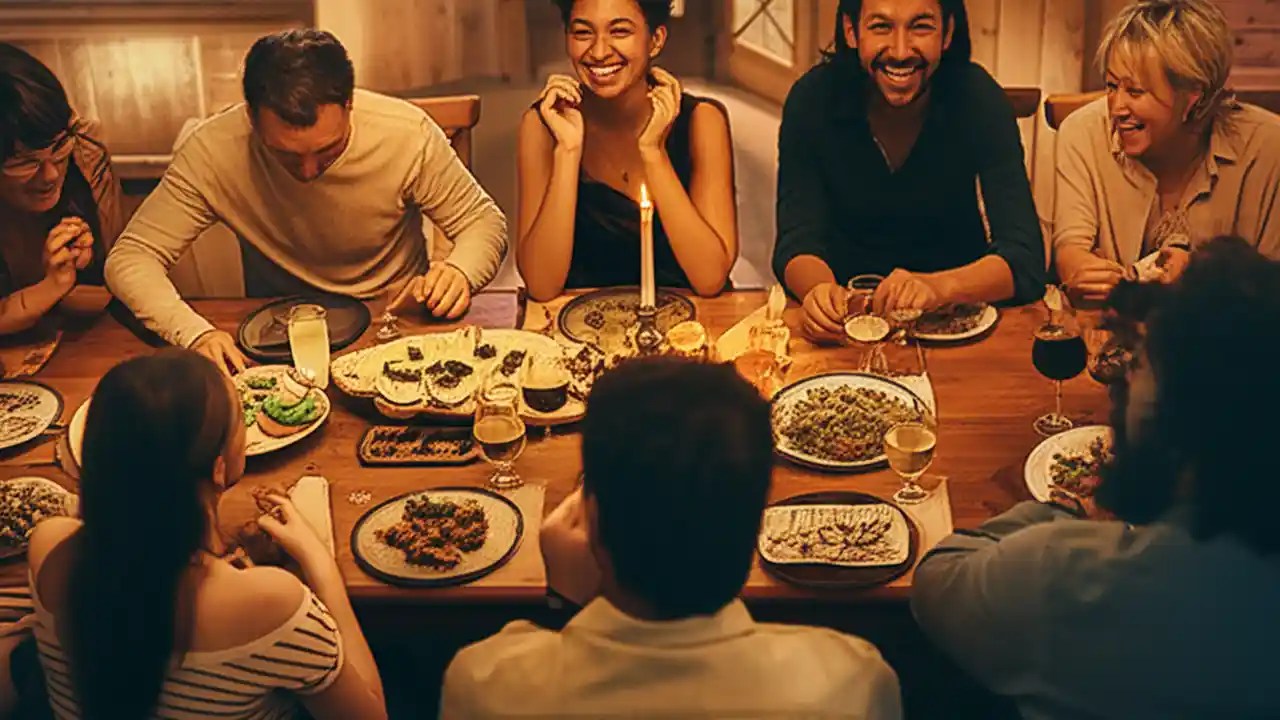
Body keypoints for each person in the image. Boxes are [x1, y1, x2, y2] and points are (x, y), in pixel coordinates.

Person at [911, 237, 1280, 719]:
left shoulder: (1062, 572)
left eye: (1141, 362)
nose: (1124, 378)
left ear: (1170, 409)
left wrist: (1066, 507)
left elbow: (937, 580)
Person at [442, 358, 902, 718]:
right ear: (758, 523)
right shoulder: (847, 684)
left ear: (592, 520)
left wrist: (565, 602)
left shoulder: (486, 686)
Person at [105, 29, 508, 374]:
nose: (309, 171)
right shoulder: (212, 151)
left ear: (349, 105)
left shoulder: (407, 134)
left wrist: (459, 271)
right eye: (285, 154)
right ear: (251, 117)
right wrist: (195, 333)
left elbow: (483, 221)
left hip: (394, 319)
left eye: (328, 150)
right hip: (276, 332)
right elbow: (131, 257)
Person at [26, 349, 387, 719]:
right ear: (218, 468)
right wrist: (318, 558)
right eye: (239, 420)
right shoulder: (273, 603)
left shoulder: (47, 545)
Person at [775, 0, 1045, 343]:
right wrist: (819, 291)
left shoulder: (978, 97)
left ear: (947, 33)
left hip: (954, 325)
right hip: (848, 327)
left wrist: (939, 287)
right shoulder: (812, 99)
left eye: (921, 27)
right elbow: (796, 241)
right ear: (851, 31)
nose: (901, 51)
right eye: (881, 27)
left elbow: (1025, 258)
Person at [1054, 0, 1280, 304]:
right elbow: (1070, 249)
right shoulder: (1081, 132)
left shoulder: (1268, 147)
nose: (1117, 108)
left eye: (1135, 91)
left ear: (1192, 97)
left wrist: (1203, 277)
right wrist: (1079, 269)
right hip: (1111, 327)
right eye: (1111, 86)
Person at [516, 0, 737, 300]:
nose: (599, 52)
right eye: (582, 33)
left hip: (688, 322)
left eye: (620, 31)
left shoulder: (702, 121)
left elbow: (709, 279)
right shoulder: (542, 126)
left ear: (655, 40)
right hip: (580, 322)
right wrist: (568, 150)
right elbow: (541, 286)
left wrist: (653, 151)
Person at [0, 43, 121, 336]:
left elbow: (116, 286)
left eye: (58, 148)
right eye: (25, 162)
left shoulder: (85, 157)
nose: (51, 175)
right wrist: (51, 288)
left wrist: (78, 269)